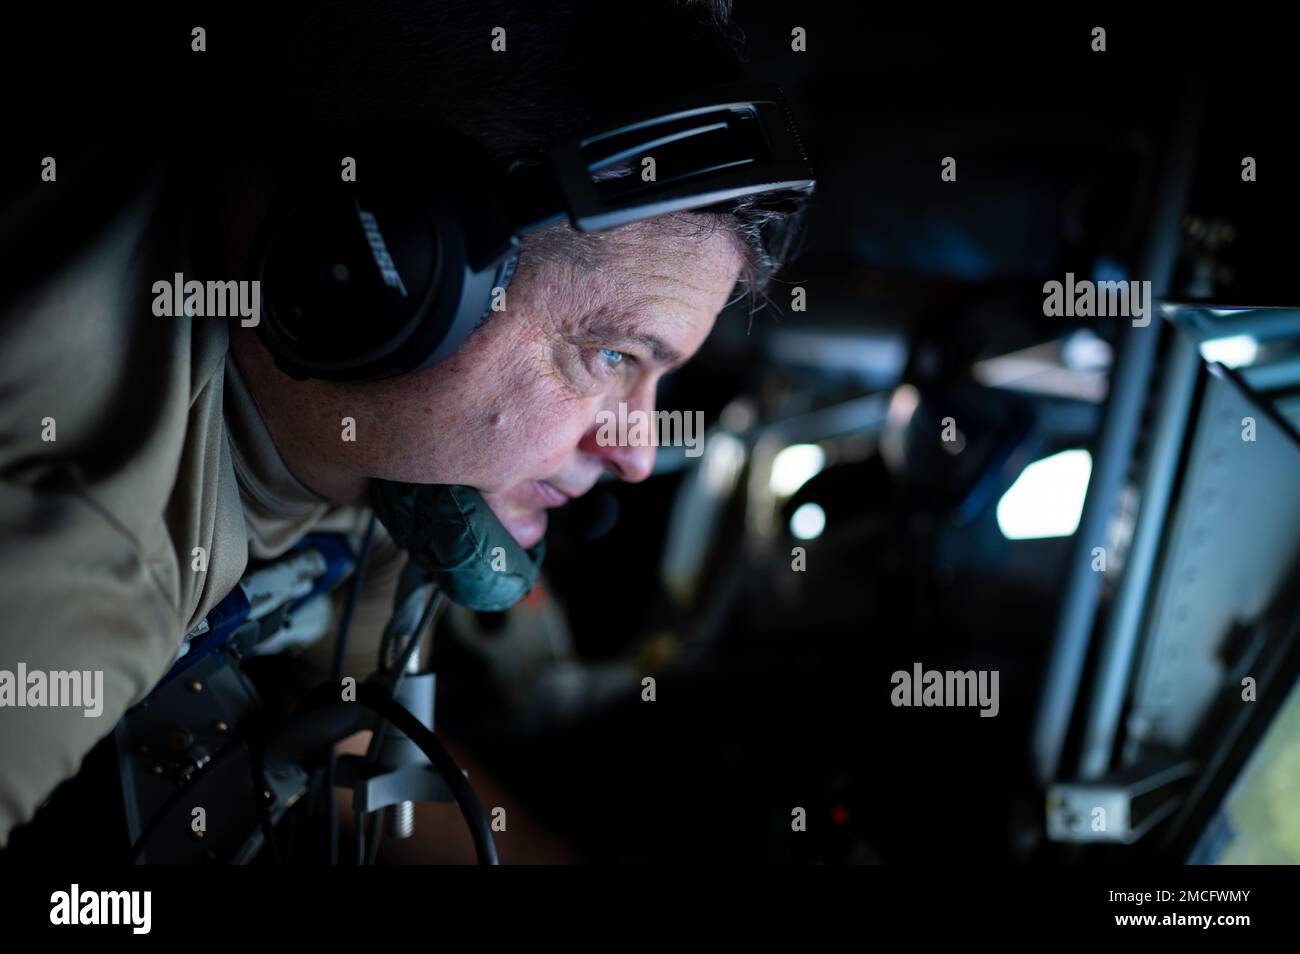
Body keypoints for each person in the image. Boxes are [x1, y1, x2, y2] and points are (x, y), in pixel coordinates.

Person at [0, 0, 808, 851]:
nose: (636, 454)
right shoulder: (83, 554)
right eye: (613, 358)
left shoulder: (388, 438)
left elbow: (352, 731)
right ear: (387, 269)